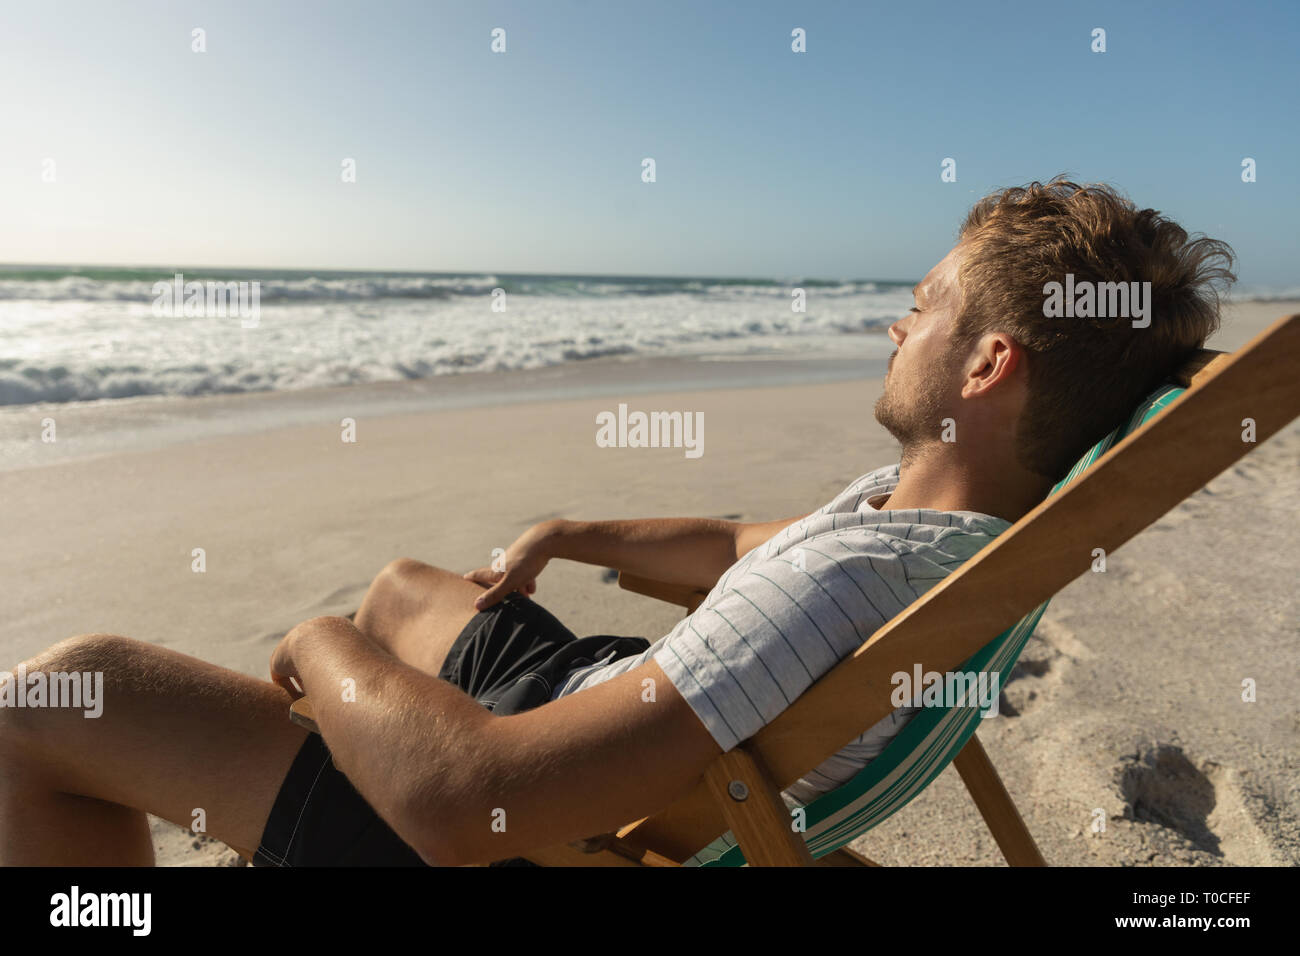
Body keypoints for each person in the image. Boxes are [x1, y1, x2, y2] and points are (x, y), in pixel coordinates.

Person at [0, 178, 1234, 866]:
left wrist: (324, 647)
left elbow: (468, 797)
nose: (896, 326)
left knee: (54, 698)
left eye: (923, 308)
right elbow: (754, 544)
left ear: (988, 366)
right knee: (408, 585)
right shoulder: (947, 530)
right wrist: (576, 528)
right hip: (611, 691)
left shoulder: (860, 583)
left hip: (535, 810)